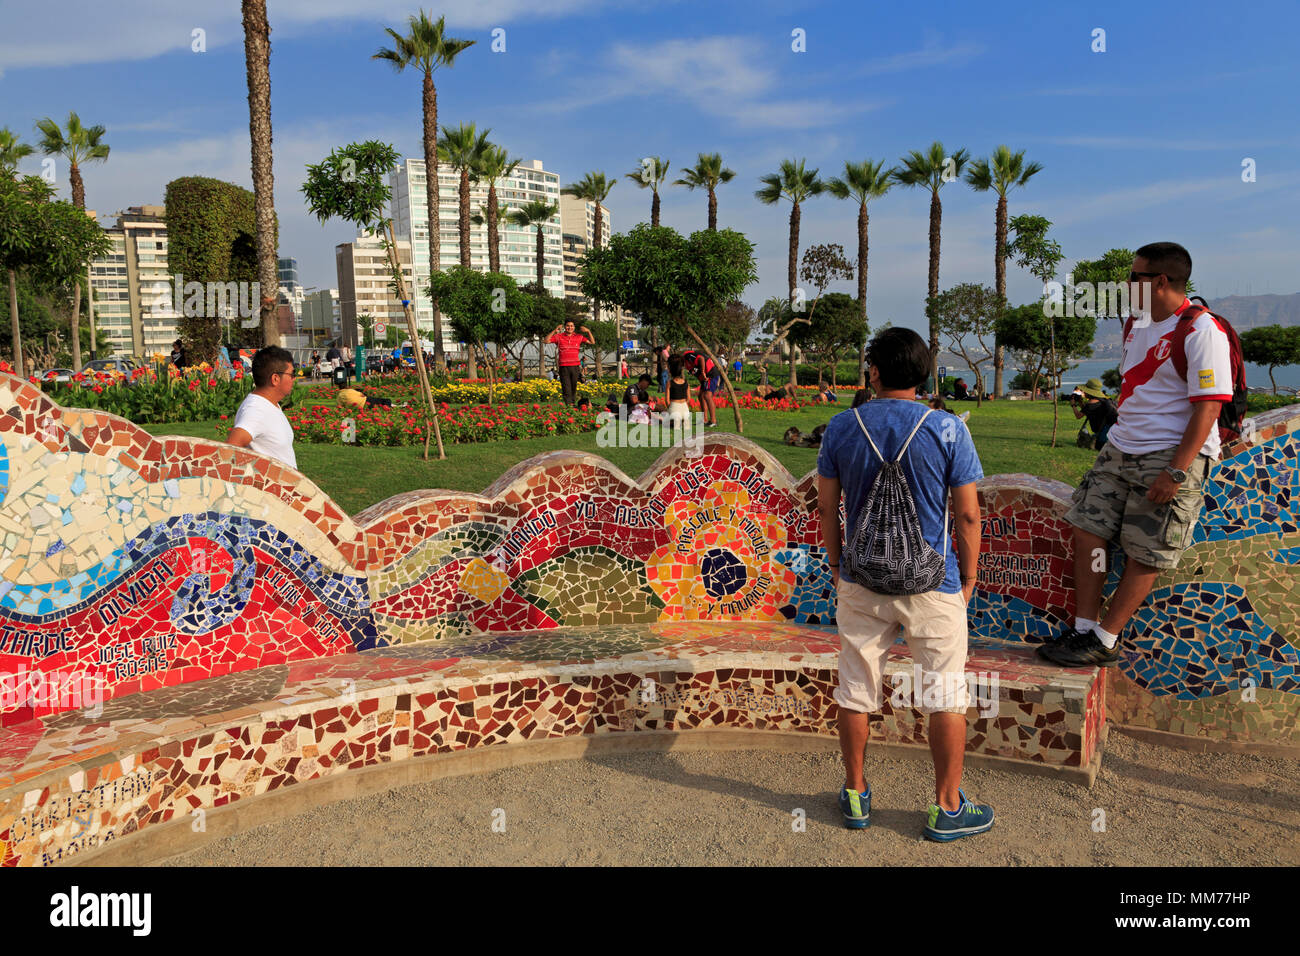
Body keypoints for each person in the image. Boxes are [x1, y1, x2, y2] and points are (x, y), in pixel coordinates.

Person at [817, 327, 991, 840]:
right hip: (933, 585)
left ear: (874, 371)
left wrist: (835, 564)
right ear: (924, 373)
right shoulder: (948, 429)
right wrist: (970, 578)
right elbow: (968, 517)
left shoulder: (841, 428)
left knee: (856, 688)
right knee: (945, 693)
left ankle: (855, 795)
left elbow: (828, 506)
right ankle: (947, 808)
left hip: (861, 581)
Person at [1040, 242, 1231, 668]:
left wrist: (1176, 473)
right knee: (1088, 529)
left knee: (1148, 549)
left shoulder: (1201, 331)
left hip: (1169, 455)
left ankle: (1106, 639)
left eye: (1134, 277)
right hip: (1121, 447)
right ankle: (1084, 628)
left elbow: (1209, 407)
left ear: (1161, 281)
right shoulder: (1136, 322)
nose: (1125, 284)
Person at [226, 346, 298, 469]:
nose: (294, 379)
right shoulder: (256, 410)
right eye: (292, 374)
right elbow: (228, 450)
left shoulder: (269, 403)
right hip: (271, 486)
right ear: (275, 379)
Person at [549, 320, 595, 406]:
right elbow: (546, 340)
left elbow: (592, 342)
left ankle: (572, 404)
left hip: (575, 366)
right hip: (564, 366)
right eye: (567, 326)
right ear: (564, 327)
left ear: (574, 327)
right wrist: (554, 330)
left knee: (573, 387)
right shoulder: (558, 337)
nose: (570, 327)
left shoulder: (579, 337)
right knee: (566, 387)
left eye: (571, 326)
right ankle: (569, 405)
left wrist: (588, 331)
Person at [1071, 378, 1118, 451]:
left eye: (1084, 391)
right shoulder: (1102, 400)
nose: (1083, 392)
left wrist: (1073, 405)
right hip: (1109, 432)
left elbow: (1078, 415)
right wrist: (1080, 403)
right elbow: (1089, 412)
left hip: (1102, 436)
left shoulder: (1091, 403)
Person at [681, 349, 718, 428]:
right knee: (701, 396)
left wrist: (703, 372)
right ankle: (704, 420)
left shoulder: (687, 356)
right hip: (704, 378)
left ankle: (713, 421)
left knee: (707, 396)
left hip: (711, 374)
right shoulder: (686, 364)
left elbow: (701, 358)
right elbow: (695, 371)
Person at [666, 357, 691, 432]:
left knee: (674, 421)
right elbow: (689, 399)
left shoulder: (669, 383)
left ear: (671, 372)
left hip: (674, 408)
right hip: (685, 408)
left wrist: (670, 409)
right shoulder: (686, 382)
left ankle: (676, 422)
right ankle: (684, 422)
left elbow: (667, 400)